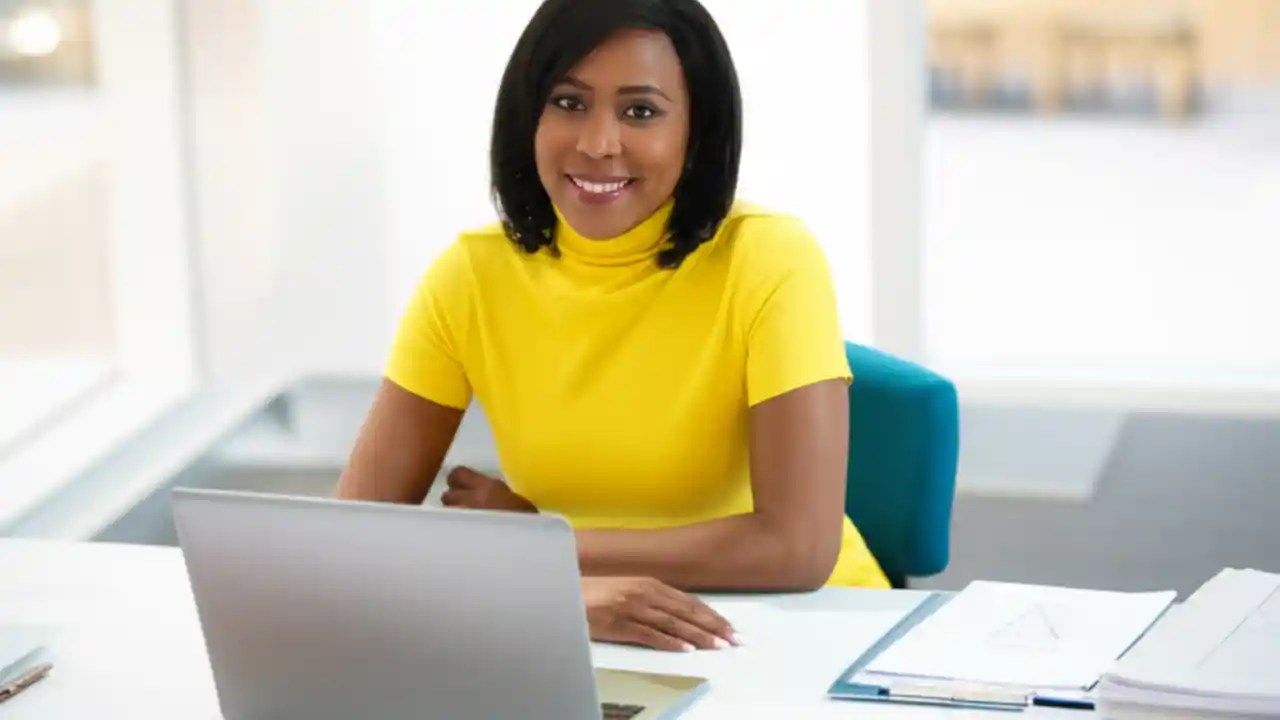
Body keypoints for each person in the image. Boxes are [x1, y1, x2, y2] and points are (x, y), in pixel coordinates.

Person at [337, 0, 889, 653]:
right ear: (528, 116)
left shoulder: (770, 258)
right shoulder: (468, 277)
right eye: (569, 102)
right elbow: (349, 543)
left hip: (798, 635)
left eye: (641, 111)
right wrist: (546, 573)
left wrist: (540, 550)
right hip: (586, 636)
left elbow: (796, 548)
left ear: (698, 131)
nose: (598, 143)